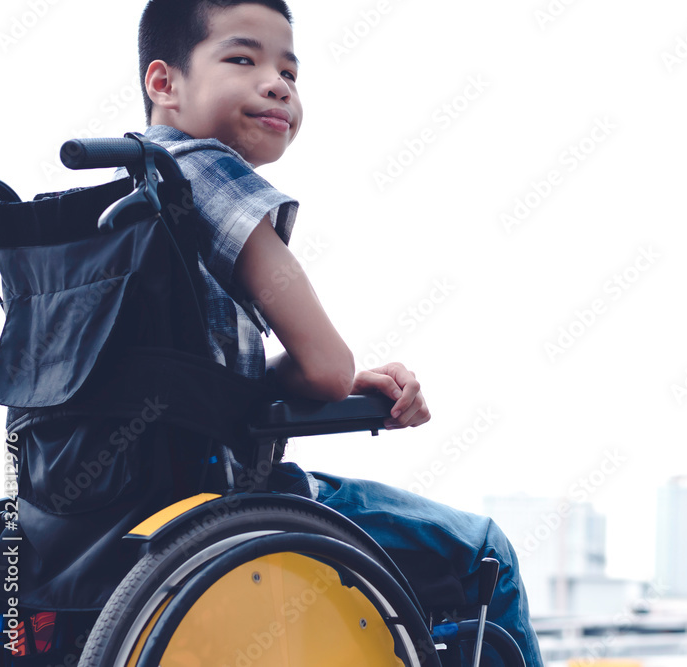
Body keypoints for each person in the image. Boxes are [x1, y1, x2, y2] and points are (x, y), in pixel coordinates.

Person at [134, 0, 544, 664]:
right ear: (164, 82)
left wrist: (333, 377)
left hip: (122, 511)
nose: (277, 85)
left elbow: (189, 385)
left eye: (289, 72)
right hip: (230, 505)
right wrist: (339, 376)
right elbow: (325, 365)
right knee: (483, 551)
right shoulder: (204, 173)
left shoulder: (113, 201)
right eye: (242, 58)